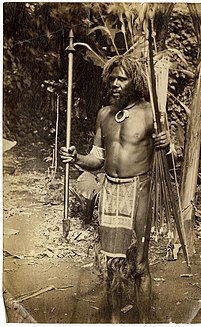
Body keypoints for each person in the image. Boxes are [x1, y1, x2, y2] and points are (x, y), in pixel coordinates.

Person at [60, 55, 170, 323]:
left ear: (135, 82)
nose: (115, 83)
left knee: (140, 265)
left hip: (138, 191)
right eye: (112, 78)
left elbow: (166, 157)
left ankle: (144, 321)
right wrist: (76, 158)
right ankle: (114, 321)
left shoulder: (150, 113)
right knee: (111, 265)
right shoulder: (105, 115)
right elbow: (97, 160)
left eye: (122, 78)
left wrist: (166, 144)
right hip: (110, 191)